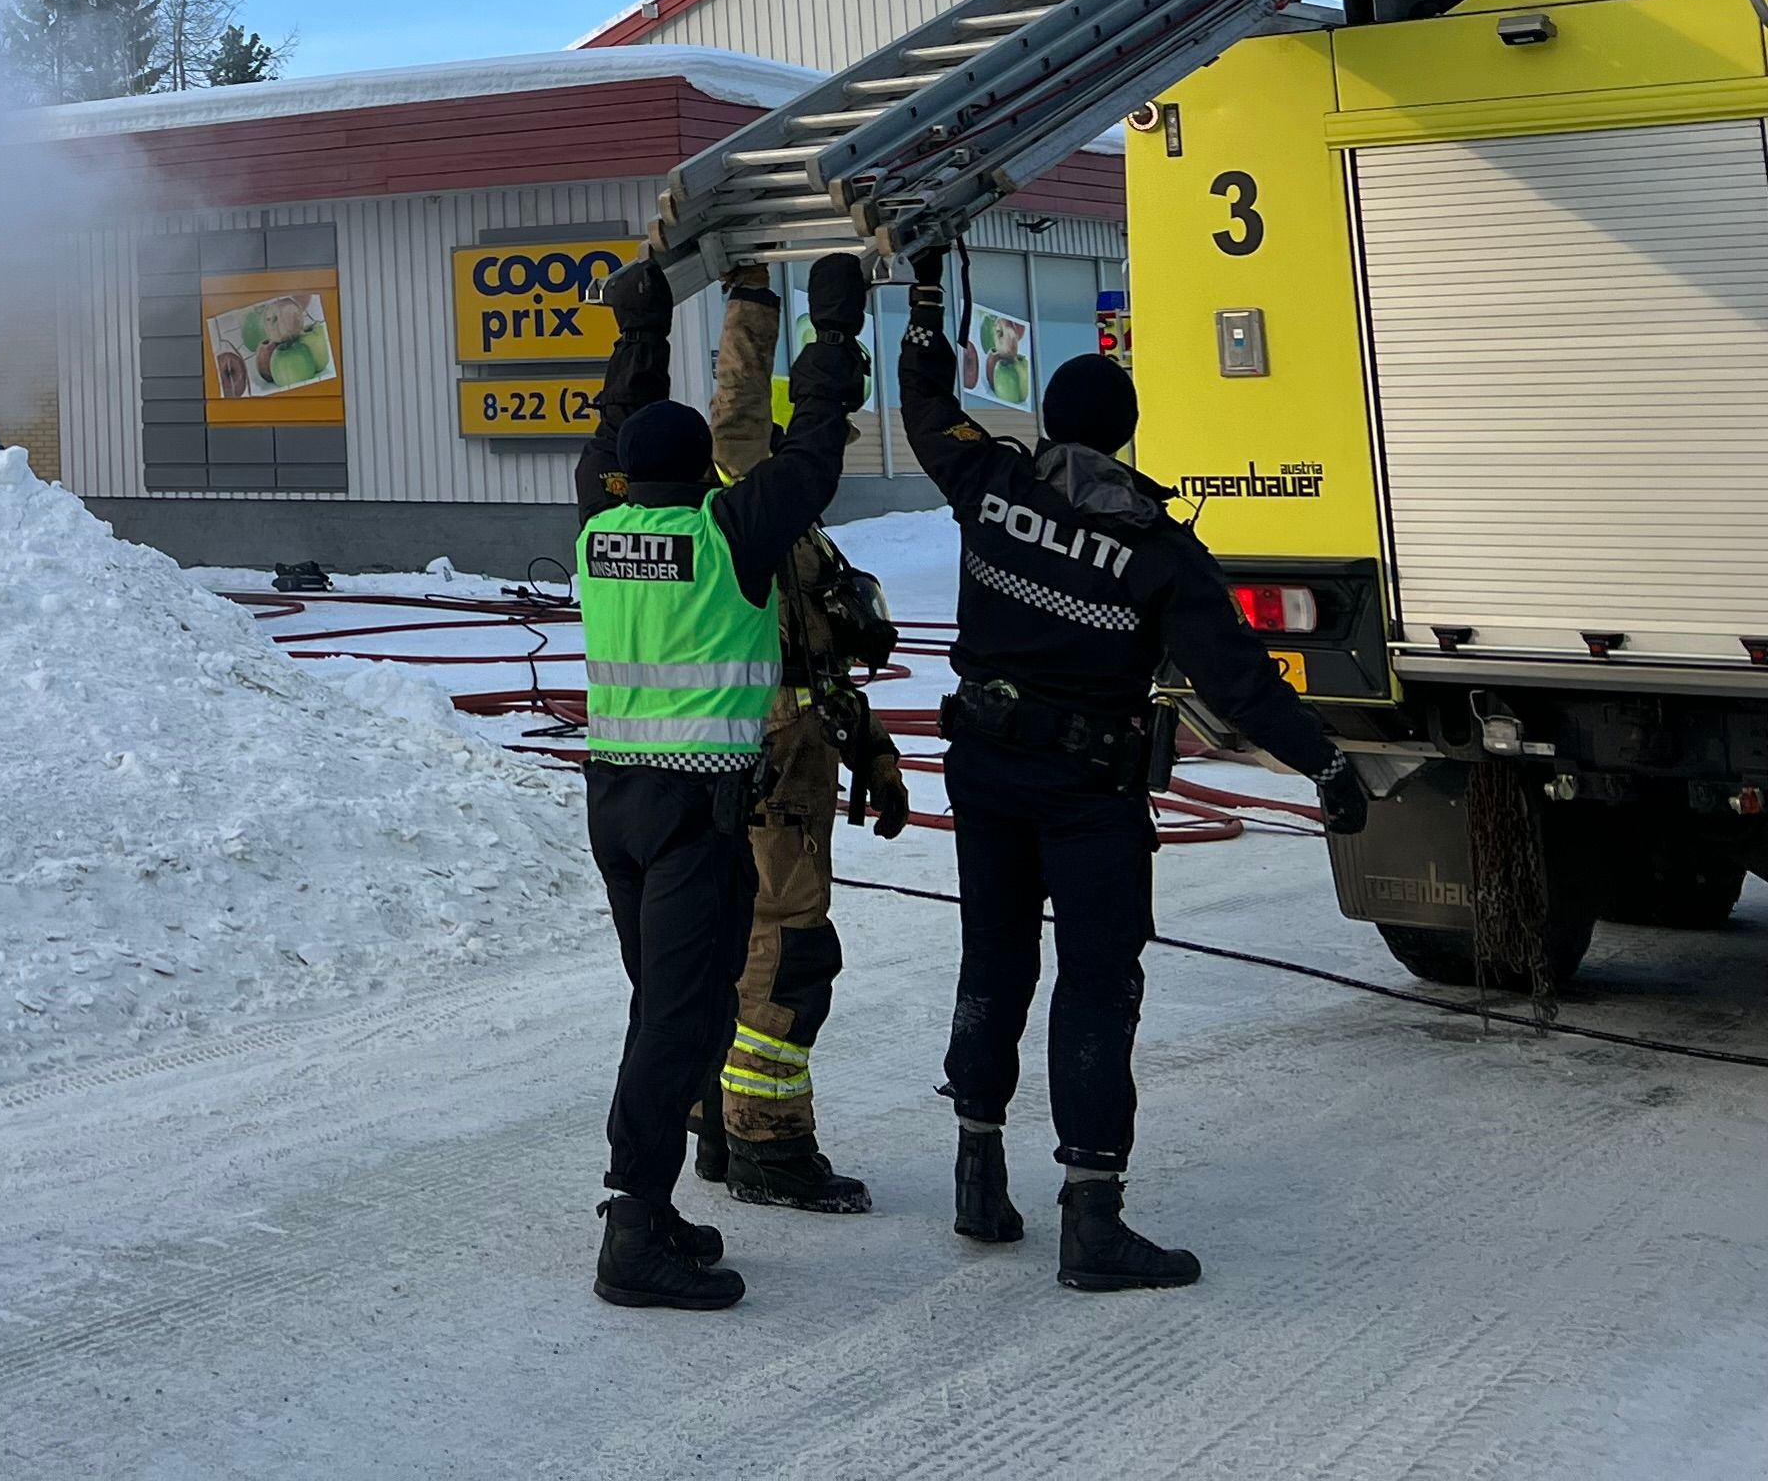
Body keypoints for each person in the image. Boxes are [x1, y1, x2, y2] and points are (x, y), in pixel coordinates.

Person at [900, 302, 1373, 1291]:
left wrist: (920, 342)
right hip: (1086, 791)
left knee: (994, 958)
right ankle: (1093, 1222)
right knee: (1095, 984)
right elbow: (1240, 687)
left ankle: (977, 1178)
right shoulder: (1156, 551)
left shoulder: (990, 483)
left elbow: (927, 417)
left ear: (1052, 425)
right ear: (1125, 432)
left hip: (985, 770)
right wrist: (1327, 766)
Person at [566, 249, 869, 1310]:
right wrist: (835, 339)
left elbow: (612, 431)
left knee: (674, 1007)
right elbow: (817, 456)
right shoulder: (724, 535)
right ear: (704, 476)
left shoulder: (600, 524)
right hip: (698, 811)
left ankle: (657, 1207)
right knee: (674, 1021)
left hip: (617, 804)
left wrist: (636, 332)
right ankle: (631, 1227)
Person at [687, 263, 909, 1215]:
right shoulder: (737, 514)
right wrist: (767, 311)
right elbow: (736, 407)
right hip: (771, 773)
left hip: (798, 759)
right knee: (785, 957)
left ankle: (716, 1122)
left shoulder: (794, 539)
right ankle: (767, 1146)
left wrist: (877, 757)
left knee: (745, 951)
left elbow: (819, 664)